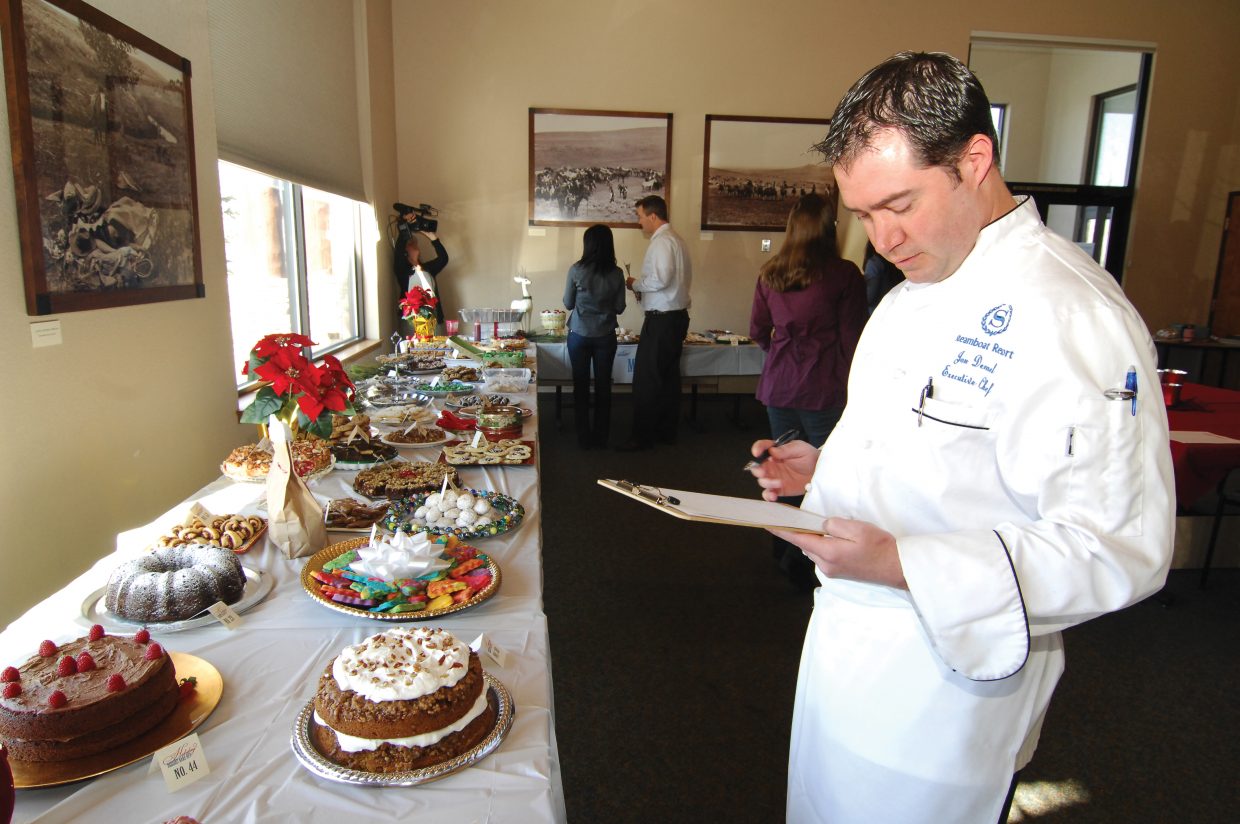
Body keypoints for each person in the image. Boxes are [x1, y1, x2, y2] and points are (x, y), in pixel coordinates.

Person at [748, 51, 1174, 824]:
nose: (883, 238)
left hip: (941, 692)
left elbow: (1119, 547)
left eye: (900, 204)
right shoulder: (910, 294)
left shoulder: (1071, 315)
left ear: (975, 161)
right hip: (843, 651)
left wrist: (901, 562)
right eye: (864, 215)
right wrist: (827, 467)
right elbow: (928, 450)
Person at [749, 192, 867, 591]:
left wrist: (781, 351)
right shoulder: (845, 275)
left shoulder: (771, 272)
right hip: (824, 386)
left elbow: (757, 331)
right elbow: (852, 340)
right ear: (829, 229)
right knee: (824, 473)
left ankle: (781, 546)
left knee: (783, 469)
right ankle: (806, 560)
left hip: (780, 384)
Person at [617, 195, 692, 451]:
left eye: (640, 216)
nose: (639, 222)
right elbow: (669, 282)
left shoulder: (662, 242)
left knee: (647, 380)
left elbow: (659, 280)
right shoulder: (677, 240)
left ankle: (642, 437)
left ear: (652, 216)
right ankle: (665, 432)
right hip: (675, 317)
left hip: (662, 321)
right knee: (668, 379)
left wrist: (634, 284)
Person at [563, 224, 627, 449]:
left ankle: (583, 438)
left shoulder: (576, 270)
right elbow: (620, 307)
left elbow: (568, 303)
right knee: (603, 386)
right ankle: (601, 438)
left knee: (580, 385)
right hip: (605, 335)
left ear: (587, 245)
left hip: (579, 334)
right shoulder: (617, 273)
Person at [392, 225, 449, 325]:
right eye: (411, 244)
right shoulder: (403, 269)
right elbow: (399, 250)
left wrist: (433, 238)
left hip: (434, 318)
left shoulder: (427, 268)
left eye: (415, 243)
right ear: (405, 250)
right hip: (411, 321)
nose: (415, 245)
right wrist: (405, 224)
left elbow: (443, 258)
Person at [861, 240, 905, 314]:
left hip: (878, 311)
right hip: (897, 305)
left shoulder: (873, 263)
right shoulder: (895, 259)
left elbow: (869, 297)